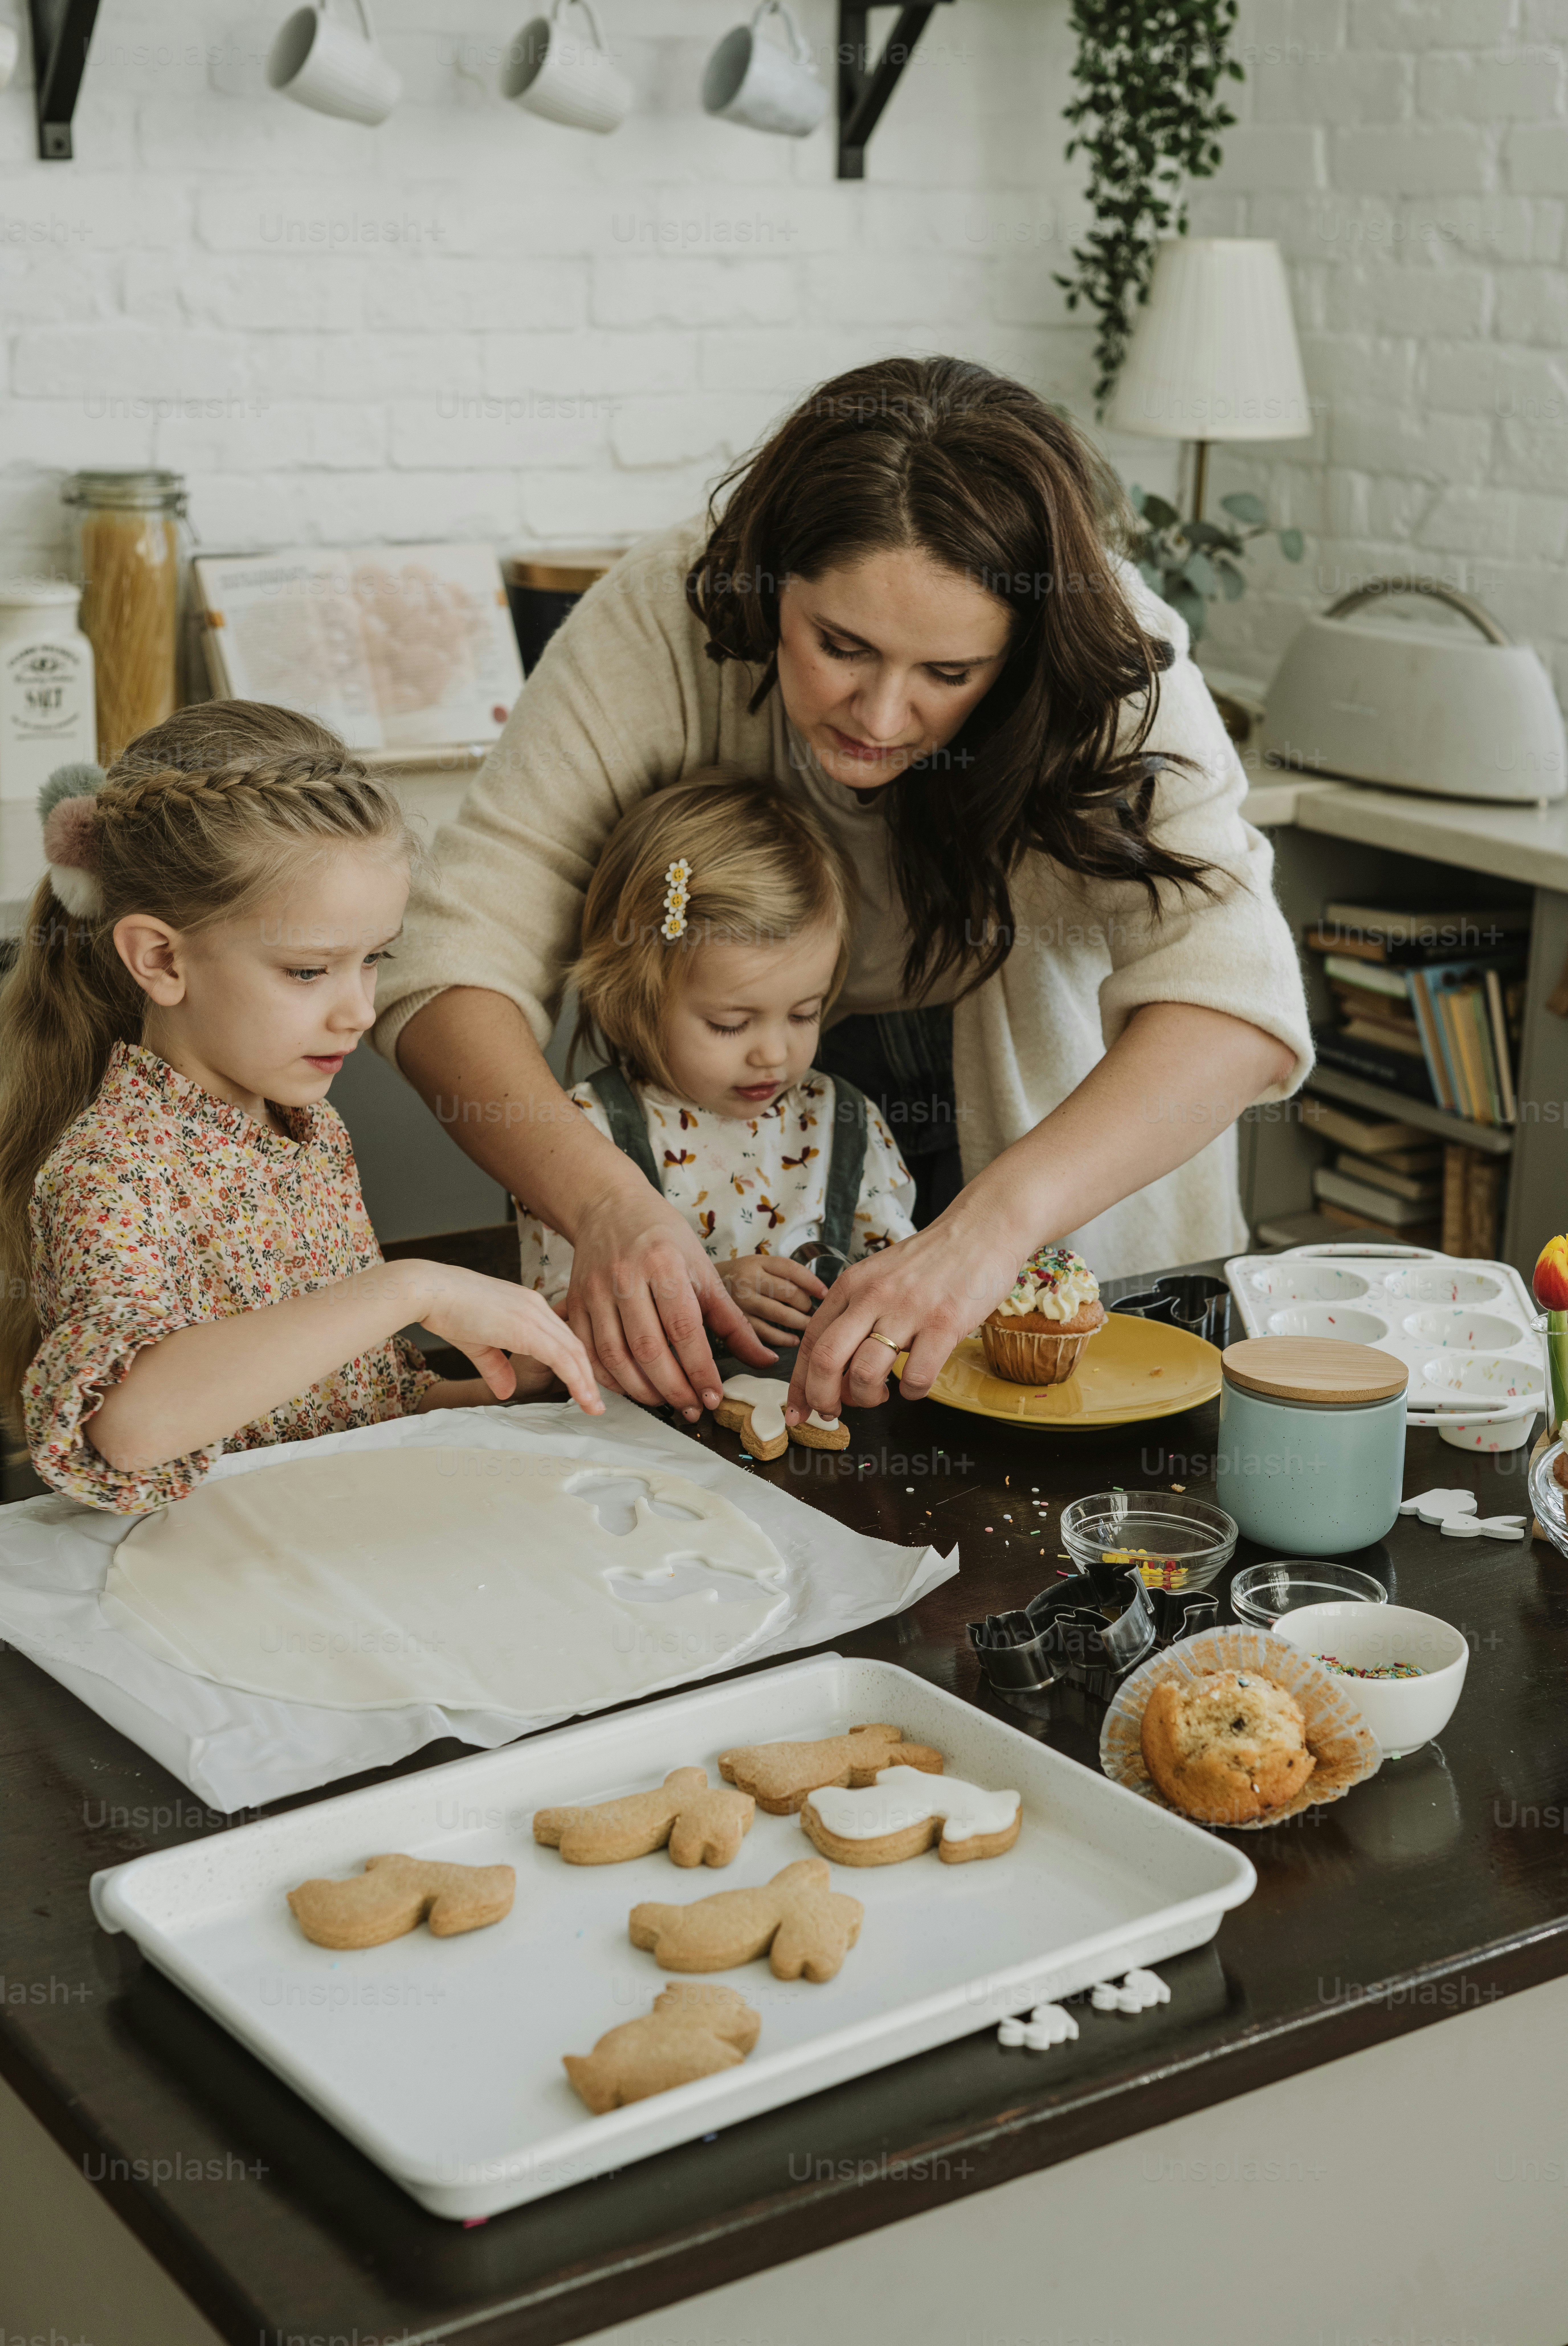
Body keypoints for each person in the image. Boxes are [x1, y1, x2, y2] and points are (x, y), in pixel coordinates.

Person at [373, 356, 1310, 1428]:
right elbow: (448, 963)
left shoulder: (1104, 651)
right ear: (772, 583)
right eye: (840, 646)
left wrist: (987, 1229)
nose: (880, 714)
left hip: (1042, 1132)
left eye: (948, 675)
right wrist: (606, 1203)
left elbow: (1232, 997)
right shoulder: (660, 615)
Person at [0, 703, 601, 1516]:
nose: (359, 1010)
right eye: (311, 971)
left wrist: (514, 1385)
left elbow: (341, 1413)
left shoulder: (308, 1132)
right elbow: (128, 1426)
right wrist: (409, 1289)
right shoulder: (112, 1171)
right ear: (162, 959)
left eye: (374, 960)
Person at [519, 774, 916, 1365]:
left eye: (804, 1014)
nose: (773, 1055)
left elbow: (900, 1290)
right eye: (731, 1024)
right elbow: (555, 1337)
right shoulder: (580, 1135)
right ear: (638, 996)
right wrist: (712, 1290)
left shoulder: (844, 1121)